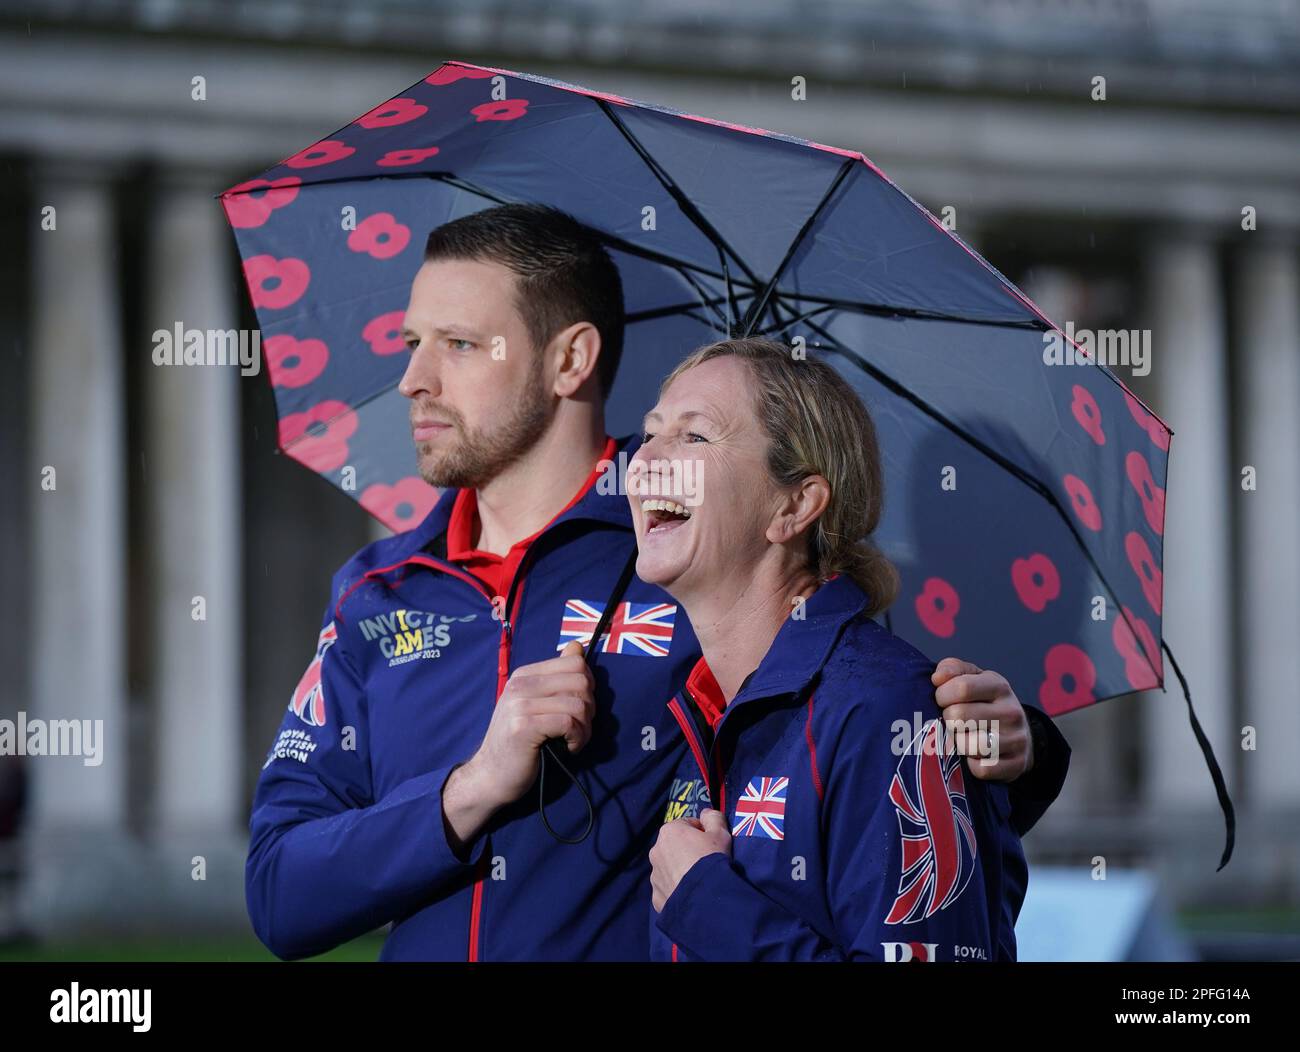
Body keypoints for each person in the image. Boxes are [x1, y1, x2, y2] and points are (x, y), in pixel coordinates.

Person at [245, 204, 1069, 961]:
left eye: (458, 344)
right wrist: (472, 787)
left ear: (570, 357)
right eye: (410, 344)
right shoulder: (375, 592)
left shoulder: (693, 554)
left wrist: (1011, 748)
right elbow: (280, 896)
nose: (413, 380)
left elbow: (861, 726)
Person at [639, 338, 1025, 961]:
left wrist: (708, 903)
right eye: (650, 432)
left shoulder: (884, 707)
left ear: (794, 504)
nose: (644, 462)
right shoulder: (700, 712)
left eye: (694, 437)